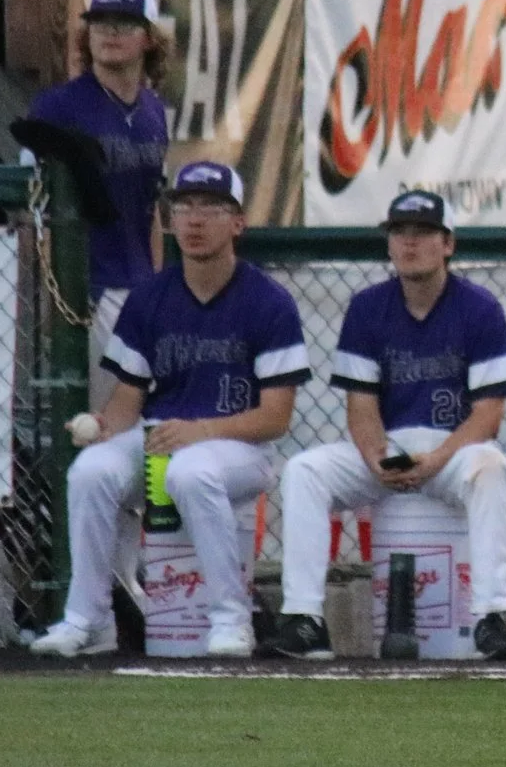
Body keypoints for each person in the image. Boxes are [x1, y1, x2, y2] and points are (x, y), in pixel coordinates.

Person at [29, 162, 307, 659]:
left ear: (238, 222)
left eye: (210, 207)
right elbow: (127, 402)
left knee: (192, 471)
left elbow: (276, 418)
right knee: (91, 472)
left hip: (240, 451)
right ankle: (87, 620)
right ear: (169, 219)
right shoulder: (150, 297)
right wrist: (102, 427)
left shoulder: (270, 301)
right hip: (163, 440)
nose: (194, 219)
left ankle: (231, 620)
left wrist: (200, 431)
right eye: (183, 207)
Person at [273, 190, 506, 661]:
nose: (410, 243)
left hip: (450, 453)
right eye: (400, 233)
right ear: (389, 244)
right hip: (389, 451)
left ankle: (490, 618)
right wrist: (377, 458)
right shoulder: (368, 307)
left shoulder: (479, 307)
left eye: (424, 233)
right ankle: (305, 617)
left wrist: (437, 461)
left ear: (448, 243)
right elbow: (361, 406)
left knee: (490, 466)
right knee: (304, 471)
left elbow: (489, 414)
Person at [27, 0, 171, 410]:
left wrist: (158, 288)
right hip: (86, 290)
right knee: (97, 421)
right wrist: (56, 300)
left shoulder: (153, 112)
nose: (109, 33)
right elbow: (38, 215)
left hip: (141, 288)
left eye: (124, 24)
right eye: (99, 23)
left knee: (150, 419)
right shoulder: (58, 107)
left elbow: (152, 212)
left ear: (148, 38)